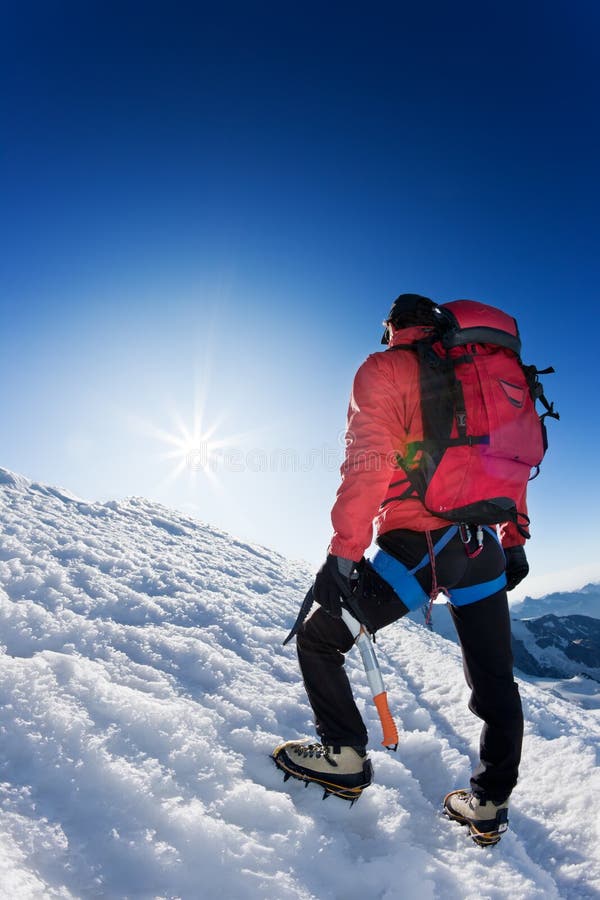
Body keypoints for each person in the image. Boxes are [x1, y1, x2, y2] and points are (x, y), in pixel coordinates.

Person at [273, 294, 530, 845]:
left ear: (391, 327)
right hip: (483, 546)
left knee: (319, 639)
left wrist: (344, 551)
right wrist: (514, 538)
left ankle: (343, 754)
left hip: (421, 547)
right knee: (495, 680)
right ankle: (487, 804)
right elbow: (505, 465)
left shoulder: (384, 368)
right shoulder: (480, 376)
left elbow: (369, 458)